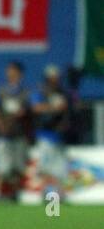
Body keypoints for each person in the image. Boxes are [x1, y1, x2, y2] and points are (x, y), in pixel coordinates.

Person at [0, 61, 30, 200]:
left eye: (13, 70)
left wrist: (23, 114)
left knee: (18, 166)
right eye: (9, 70)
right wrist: (1, 127)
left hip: (19, 134)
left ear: (19, 73)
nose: (10, 73)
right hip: (4, 135)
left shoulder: (25, 92)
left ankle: (15, 193)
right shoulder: (2, 90)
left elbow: (30, 111)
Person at [28, 65, 71, 196]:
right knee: (45, 166)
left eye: (56, 76)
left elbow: (66, 111)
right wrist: (54, 107)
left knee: (59, 167)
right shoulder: (41, 91)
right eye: (52, 76)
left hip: (58, 135)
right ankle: (48, 194)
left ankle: (58, 194)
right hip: (44, 135)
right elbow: (35, 108)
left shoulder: (61, 92)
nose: (55, 79)